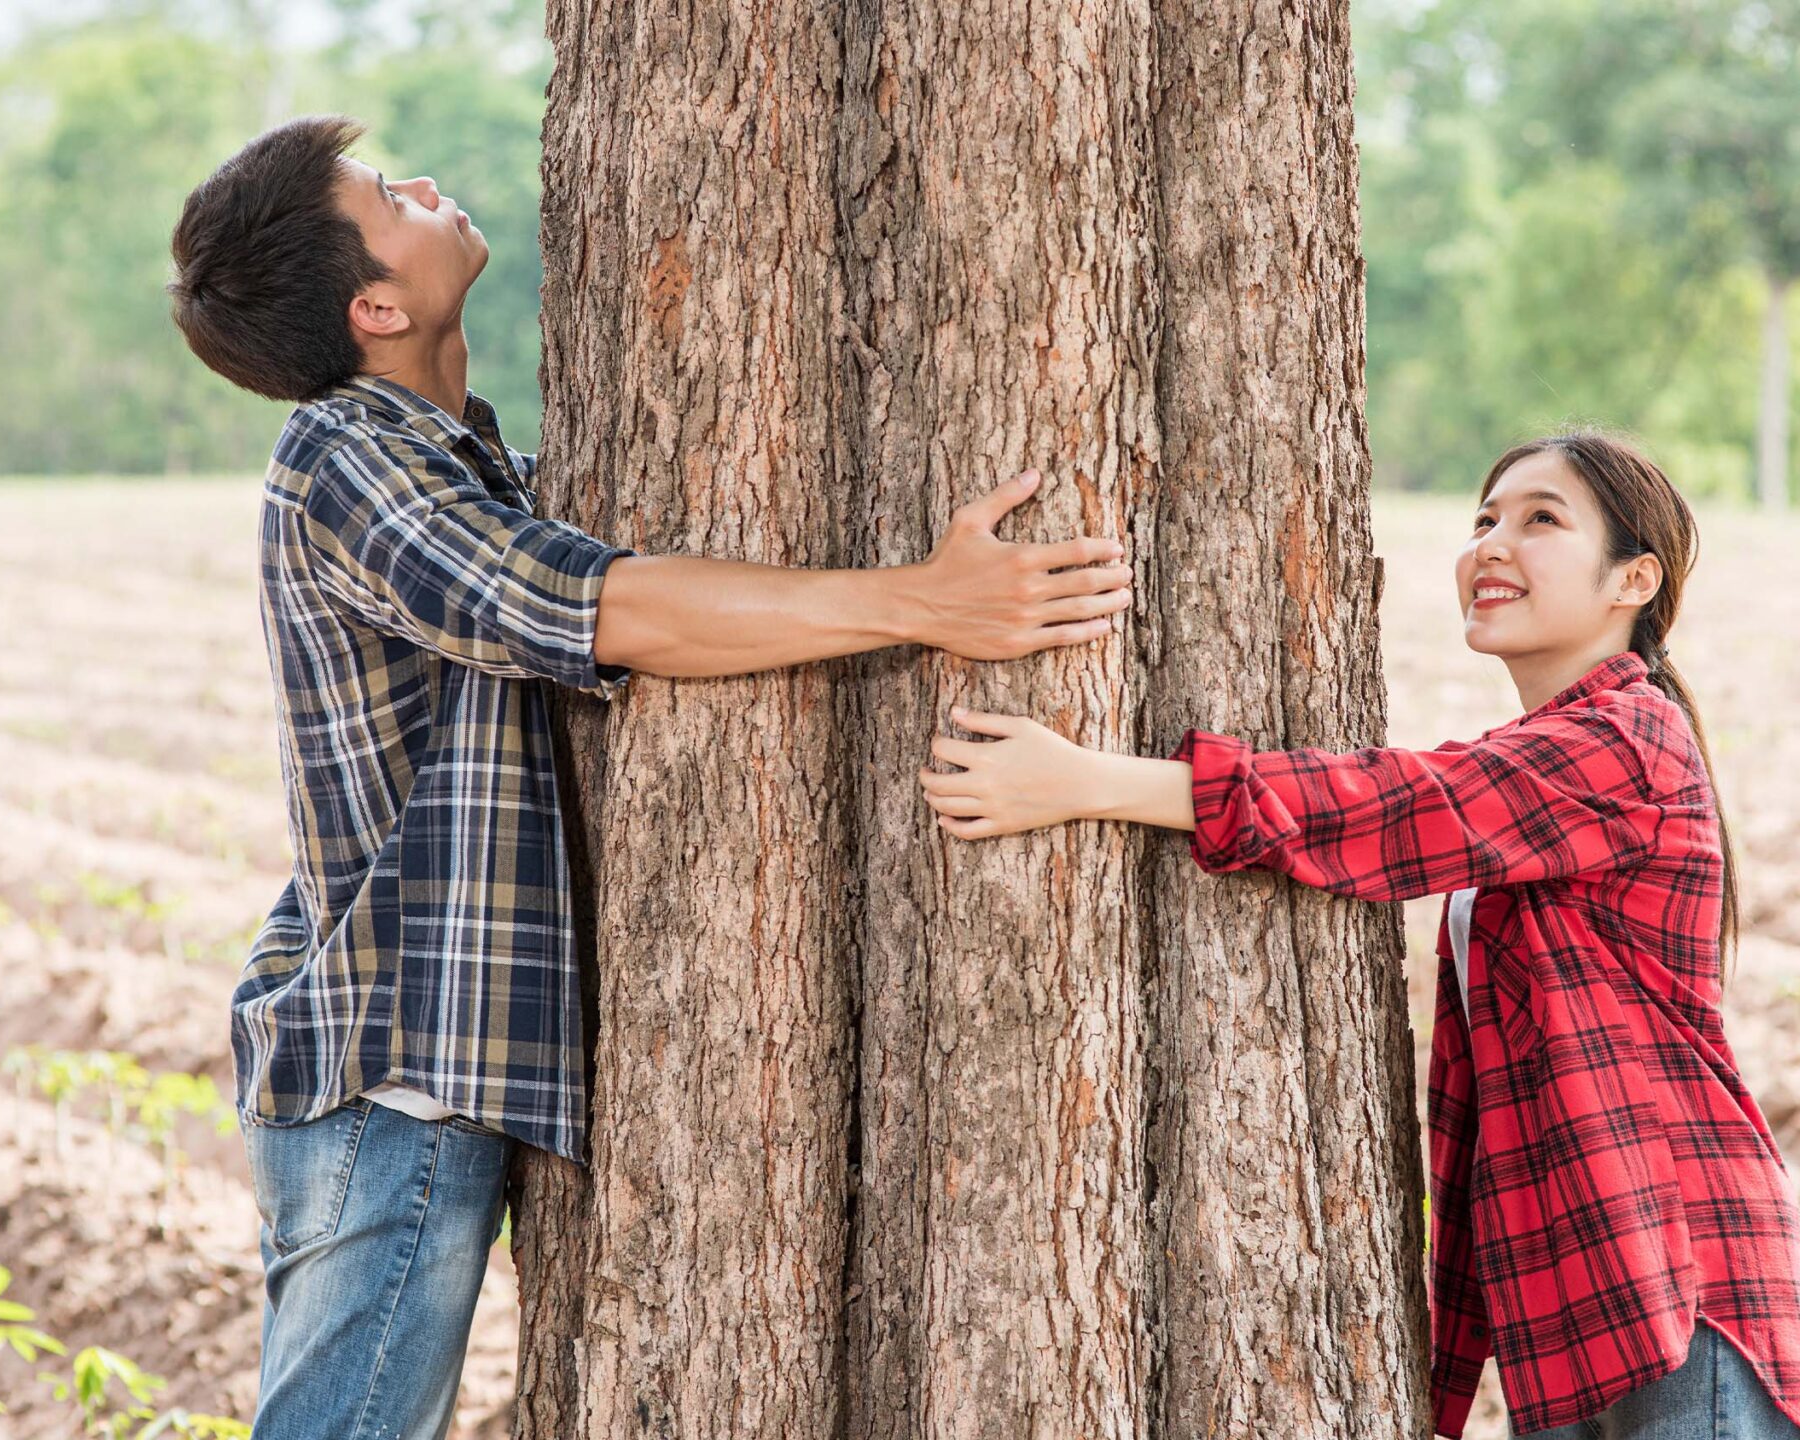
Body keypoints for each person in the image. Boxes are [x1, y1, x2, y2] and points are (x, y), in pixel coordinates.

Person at [166, 115, 1135, 1440]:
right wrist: (922, 602)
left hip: (424, 1067)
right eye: (393, 192)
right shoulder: (344, 461)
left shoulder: (456, 453)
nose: (430, 184)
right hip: (392, 1071)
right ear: (376, 304)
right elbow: (600, 611)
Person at [918, 431, 1800, 1439]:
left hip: (1672, 1270)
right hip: (1582, 1305)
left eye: (1540, 520)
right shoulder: (1555, 753)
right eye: (1482, 519)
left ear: (1632, 580)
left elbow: (1400, 808)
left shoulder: (1625, 741)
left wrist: (1094, 784)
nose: (1490, 545)